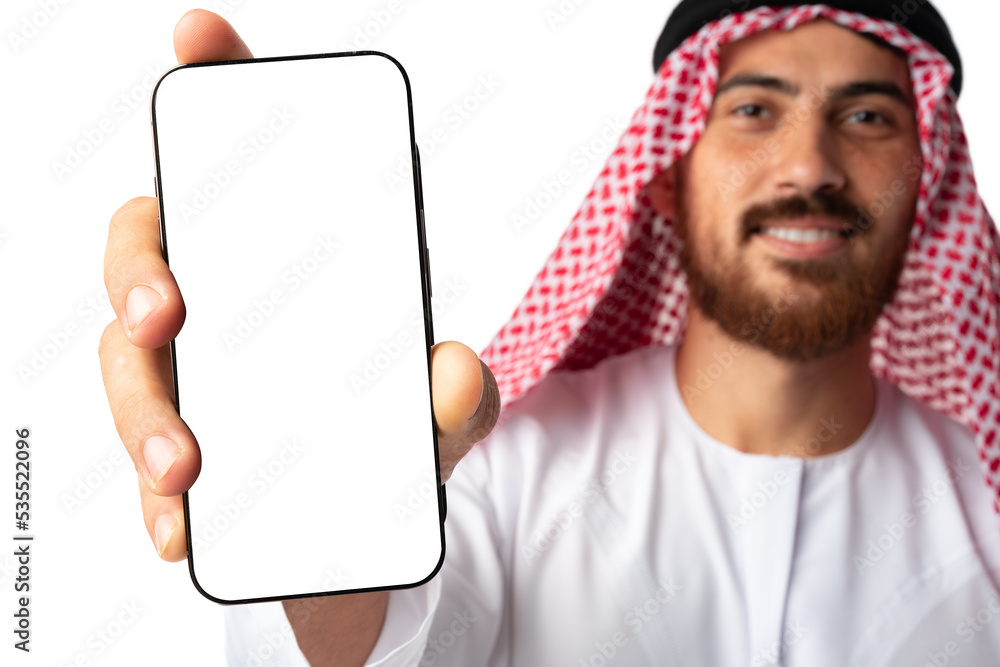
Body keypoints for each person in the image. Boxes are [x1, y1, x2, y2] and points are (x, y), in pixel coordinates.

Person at [99, 2, 1000, 665]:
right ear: (664, 179)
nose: (810, 164)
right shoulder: (497, 469)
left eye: (869, 116)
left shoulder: (983, 508)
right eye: (755, 109)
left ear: (931, 187)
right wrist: (305, 488)